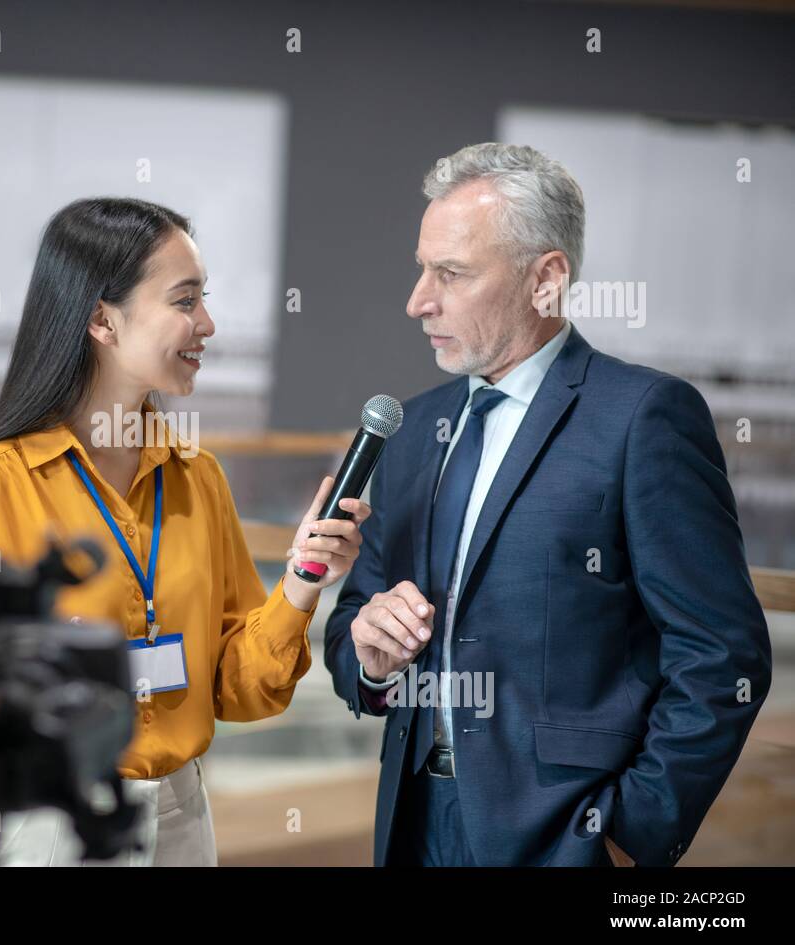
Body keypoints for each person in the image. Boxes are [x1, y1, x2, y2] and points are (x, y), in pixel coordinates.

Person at [0, 197, 368, 865]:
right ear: (103, 320)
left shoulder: (197, 476)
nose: (208, 324)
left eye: (204, 299)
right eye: (185, 301)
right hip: (46, 820)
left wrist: (306, 580)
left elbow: (238, 688)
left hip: (182, 812)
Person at [324, 142, 772, 867]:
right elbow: (351, 626)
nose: (418, 300)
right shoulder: (412, 431)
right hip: (413, 826)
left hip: (569, 835)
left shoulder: (643, 418)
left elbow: (722, 656)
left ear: (546, 278)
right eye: (421, 268)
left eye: (451, 273)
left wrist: (635, 831)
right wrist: (373, 663)